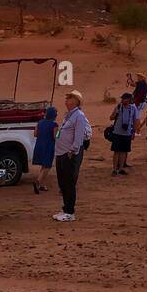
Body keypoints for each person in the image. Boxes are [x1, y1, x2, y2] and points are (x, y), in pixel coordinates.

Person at [52, 91, 91, 222]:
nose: (66, 100)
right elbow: (63, 131)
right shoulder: (67, 116)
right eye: (67, 98)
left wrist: (73, 150)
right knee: (62, 182)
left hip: (69, 153)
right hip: (60, 152)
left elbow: (79, 135)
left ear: (76, 101)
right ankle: (65, 208)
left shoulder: (79, 116)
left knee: (69, 183)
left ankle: (70, 211)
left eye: (69, 98)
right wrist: (57, 136)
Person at [108, 92, 142, 176]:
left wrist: (133, 132)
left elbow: (135, 121)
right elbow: (111, 117)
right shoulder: (119, 107)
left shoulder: (133, 109)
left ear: (129, 100)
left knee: (123, 151)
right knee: (116, 151)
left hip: (127, 133)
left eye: (124, 98)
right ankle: (115, 169)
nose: (122, 100)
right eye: (122, 99)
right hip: (117, 132)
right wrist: (115, 114)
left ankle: (121, 168)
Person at [29, 105, 58, 194]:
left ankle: (41, 184)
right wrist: (60, 131)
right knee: (47, 166)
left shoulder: (40, 122)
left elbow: (35, 134)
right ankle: (38, 182)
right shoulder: (54, 125)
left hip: (39, 146)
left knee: (44, 165)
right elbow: (56, 136)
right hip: (48, 147)